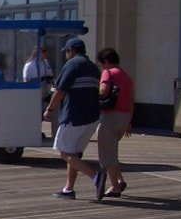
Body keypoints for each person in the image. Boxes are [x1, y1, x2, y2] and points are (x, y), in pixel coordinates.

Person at [44, 37, 102, 199]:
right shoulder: (93, 67)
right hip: (92, 117)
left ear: (71, 51)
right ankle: (68, 189)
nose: (66, 55)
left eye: (67, 52)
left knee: (64, 152)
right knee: (74, 153)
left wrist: (50, 109)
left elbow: (60, 90)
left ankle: (96, 176)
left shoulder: (72, 64)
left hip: (74, 116)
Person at [95, 47, 133, 198]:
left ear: (106, 61)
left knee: (106, 154)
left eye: (101, 63)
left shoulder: (108, 73)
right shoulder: (127, 76)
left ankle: (115, 186)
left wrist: (94, 92)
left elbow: (103, 90)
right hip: (124, 117)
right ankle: (119, 179)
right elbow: (131, 101)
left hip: (109, 116)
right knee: (113, 151)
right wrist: (129, 121)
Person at [24, 45, 55, 139]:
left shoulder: (45, 63)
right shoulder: (30, 64)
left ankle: (38, 129)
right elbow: (26, 79)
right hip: (35, 91)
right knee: (35, 113)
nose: (46, 53)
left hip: (45, 90)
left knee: (42, 112)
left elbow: (50, 73)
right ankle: (33, 131)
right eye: (44, 51)